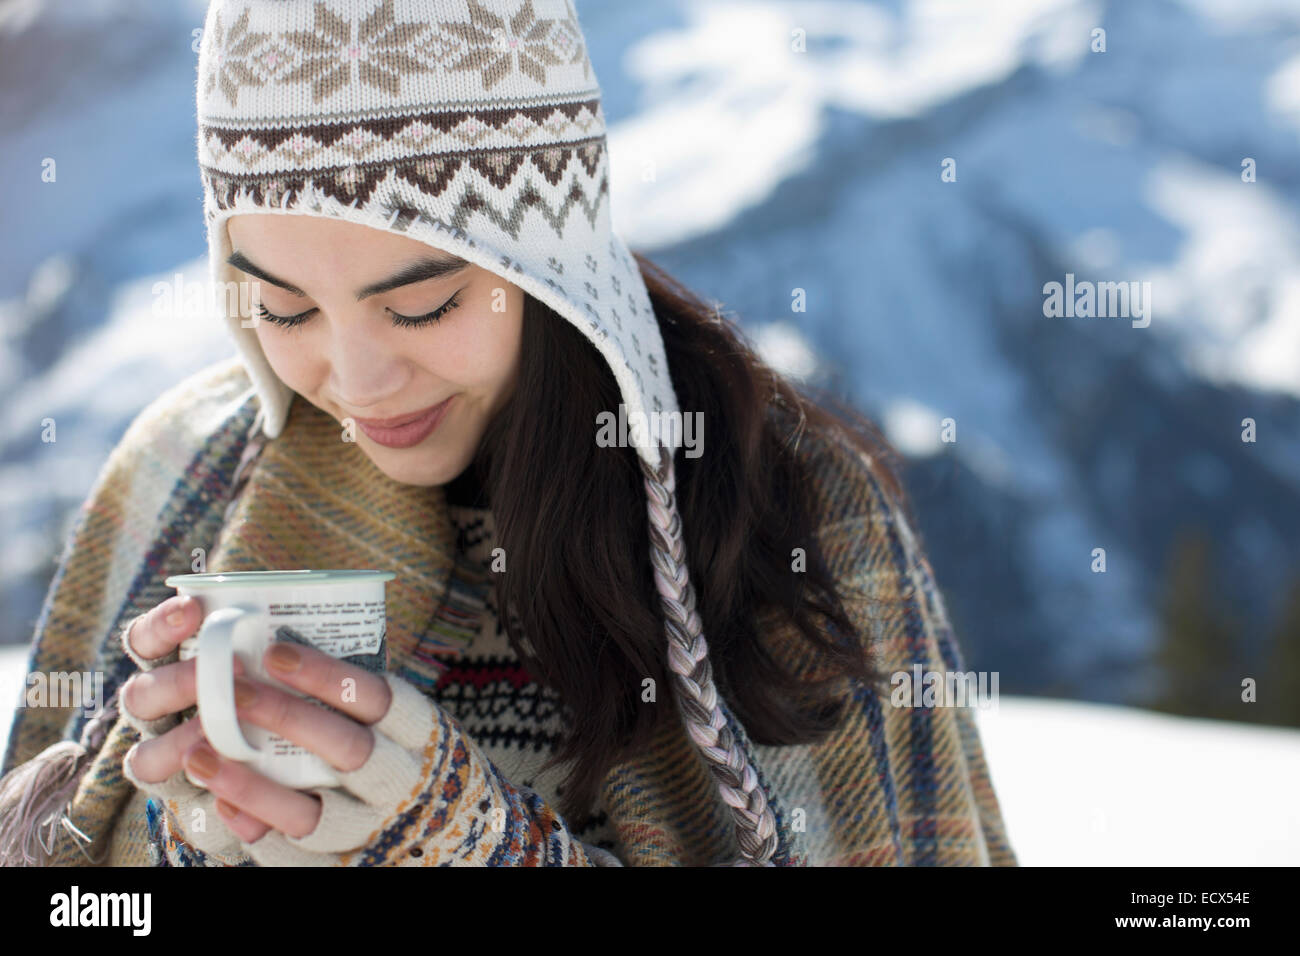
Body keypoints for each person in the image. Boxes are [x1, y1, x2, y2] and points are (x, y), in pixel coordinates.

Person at [0, 0, 1016, 867]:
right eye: (286, 308)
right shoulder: (186, 466)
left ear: (549, 269)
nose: (357, 382)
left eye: (424, 304)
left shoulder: (785, 501)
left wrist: (466, 840)